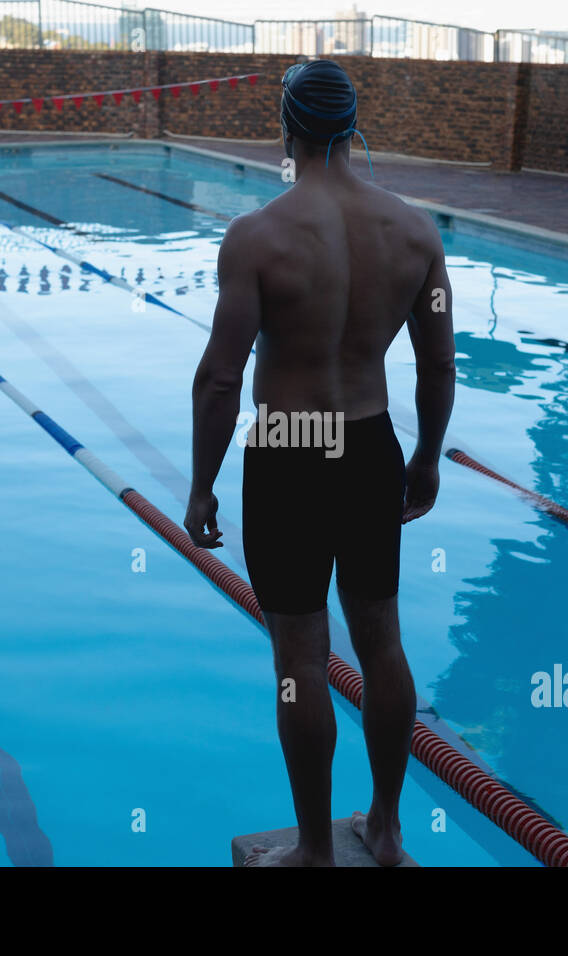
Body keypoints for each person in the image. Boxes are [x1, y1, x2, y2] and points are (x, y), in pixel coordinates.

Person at [184, 59, 455, 867]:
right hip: (372, 445)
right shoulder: (414, 233)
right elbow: (438, 366)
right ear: (353, 123)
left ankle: (312, 849)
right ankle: (388, 827)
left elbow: (220, 378)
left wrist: (202, 483)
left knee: (300, 658)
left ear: (287, 128)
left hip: (288, 454)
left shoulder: (259, 236)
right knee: (383, 643)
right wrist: (428, 458)